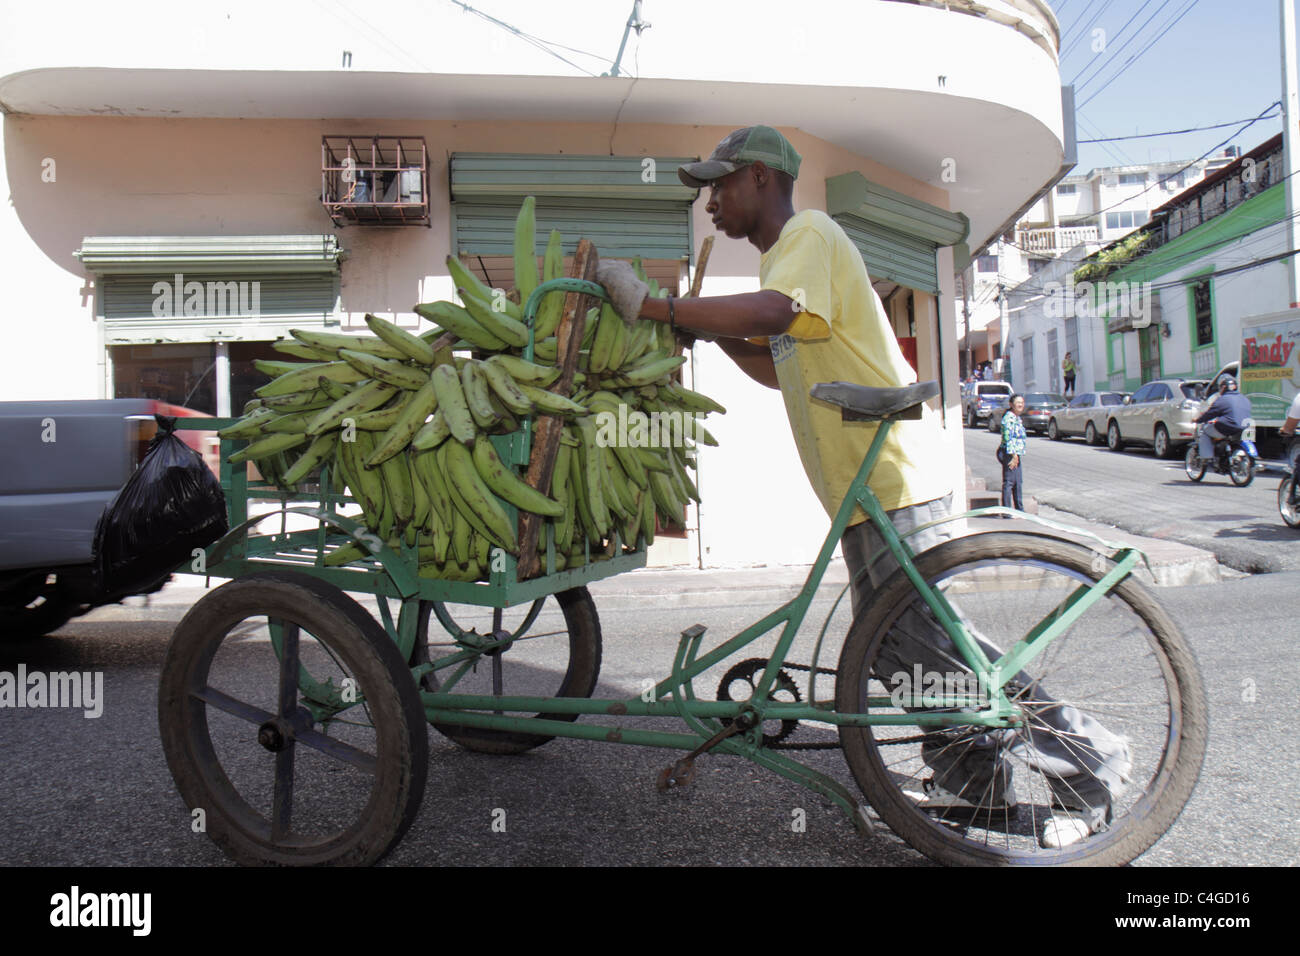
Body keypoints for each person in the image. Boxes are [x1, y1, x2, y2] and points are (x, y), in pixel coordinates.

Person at [595, 125, 1128, 848]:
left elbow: (774, 317)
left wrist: (661, 309)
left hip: (893, 483)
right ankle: (977, 787)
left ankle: (1091, 763)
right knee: (902, 651)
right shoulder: (789, 263)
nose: (710, 202)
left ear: (758, 177)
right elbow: (774, 356)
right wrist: (707, 331)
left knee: (942, 654)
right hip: (864, 492)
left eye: (718, 185)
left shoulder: (808, 234)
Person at [1194, 375, 1251, 465]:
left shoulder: (1222, 399)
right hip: (1244, 428)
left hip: (1227, 428)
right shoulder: (1244, 398)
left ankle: (1206, 458)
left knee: (1204, 430)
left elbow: (1210, 413)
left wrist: (1198, 420)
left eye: (1220, 387)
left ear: (1224, 387)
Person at [998, 394, 1027, 511]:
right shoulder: (1008, 418)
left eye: (1022, 402)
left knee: (1018, 482)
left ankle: (1020, 510)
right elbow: (1008, 437)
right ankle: (1007, 511)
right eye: (1018, 402)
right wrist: (1014, 455)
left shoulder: (1017, 418)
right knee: (1009, 482)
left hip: (1016, 453)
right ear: (1011, 404)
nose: (1020, 405)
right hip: (1008, 452)